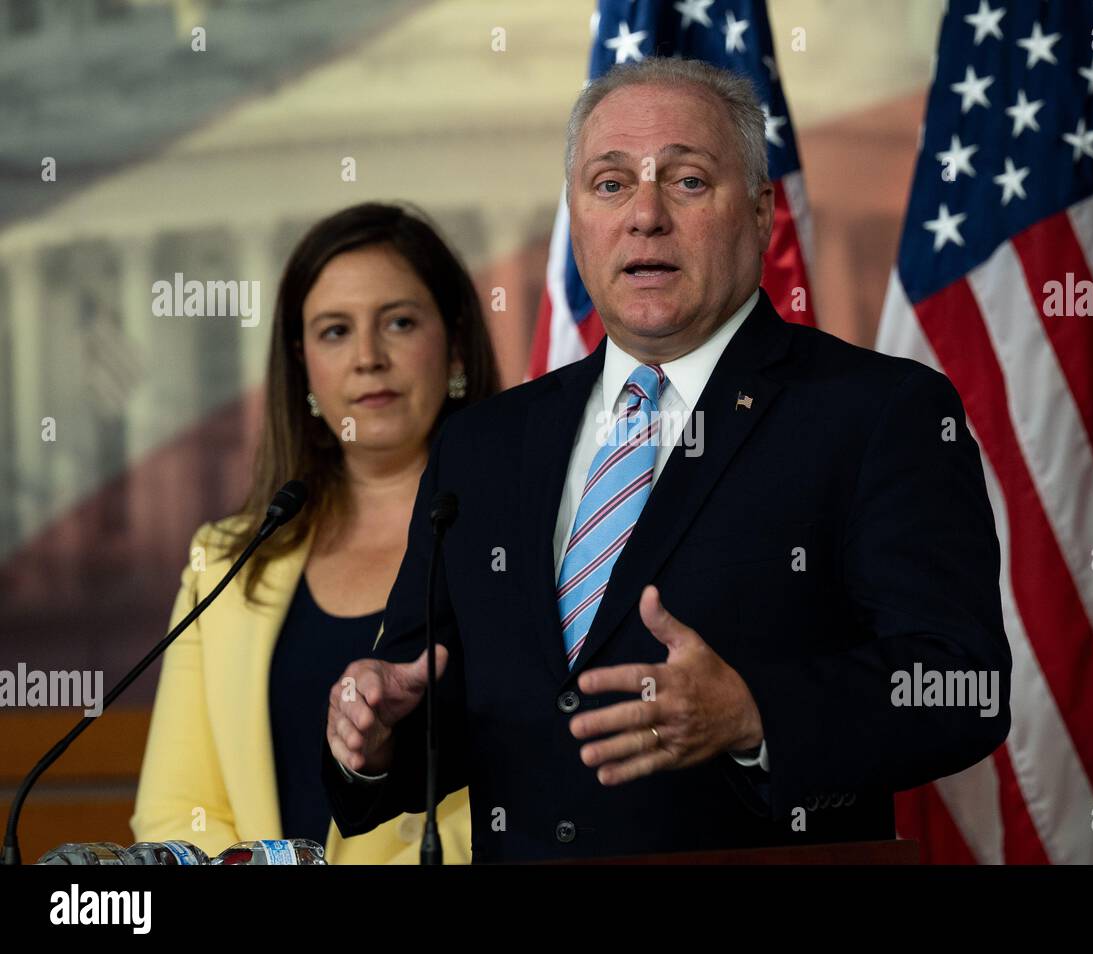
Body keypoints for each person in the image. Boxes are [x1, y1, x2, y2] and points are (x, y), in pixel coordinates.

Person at [324, 60, 1011, 863]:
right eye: (610, 185)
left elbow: (962, 687)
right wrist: (375, 738)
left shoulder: (877, 413)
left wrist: (757, 714)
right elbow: (430, 696)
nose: (645, 216)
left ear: (760, 213)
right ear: (575, 218)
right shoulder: (485, 446)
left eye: (687, 180)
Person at [132, 203, 498, 863]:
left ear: (456, 344)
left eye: (400, 322)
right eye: (335, 331)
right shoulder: (222, 563)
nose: (367, 358)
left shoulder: (528, 544)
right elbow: (174, 813)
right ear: (302, 368)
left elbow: (544, 794)